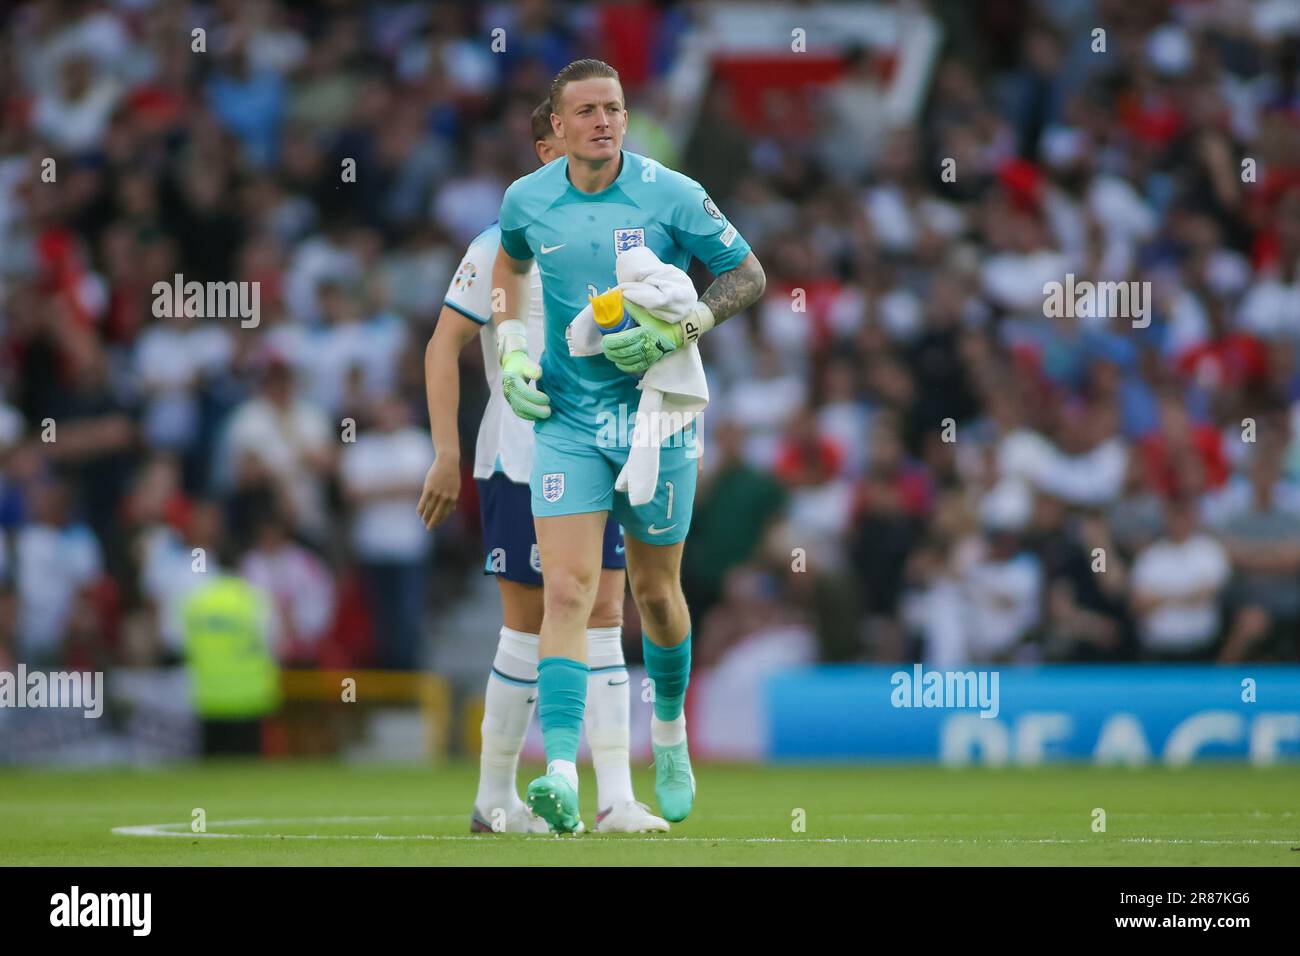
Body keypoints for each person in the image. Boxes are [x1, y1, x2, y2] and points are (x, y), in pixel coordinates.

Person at [488, 59, 766, 832]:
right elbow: (509, 265)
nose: (604, 122)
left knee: (654, 596)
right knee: (570, 591)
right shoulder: (527, 200)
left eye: (613, 108)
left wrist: (685, 328)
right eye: (586, 112)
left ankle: (671, 736)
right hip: (568, 420)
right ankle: (557, 776)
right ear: (558, 124)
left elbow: (748, 274)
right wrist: (513, 348)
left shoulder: (669, 191)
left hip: (658, 415)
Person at [419, 100, 667, 834]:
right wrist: (446, 451)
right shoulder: (498, 243)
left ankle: (616, 798)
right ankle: (494, 797)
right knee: (528, 627)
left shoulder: (626, 240)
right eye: (574, 126)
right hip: (523, 458)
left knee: (605, 616)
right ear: (542, 148)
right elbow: (442, 346)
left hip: (608, 450)